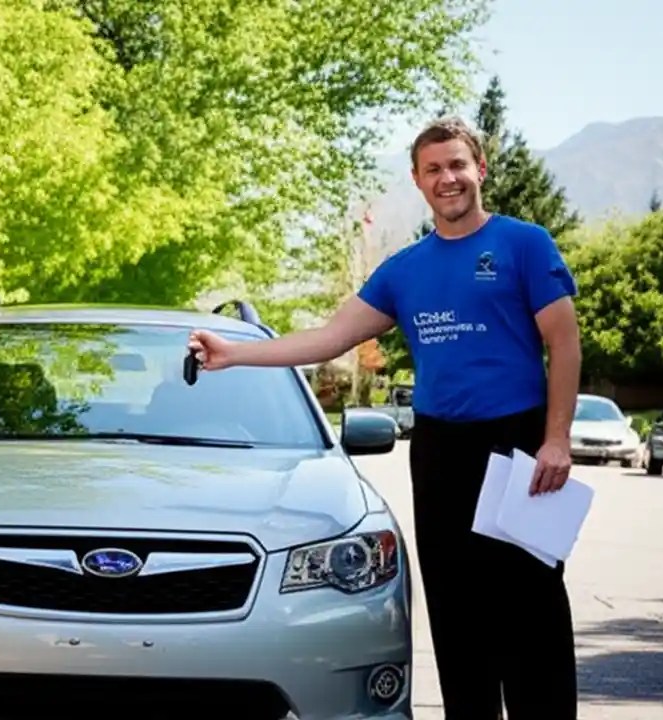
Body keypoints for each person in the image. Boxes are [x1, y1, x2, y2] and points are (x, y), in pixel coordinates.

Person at [188, 117, 580, 719]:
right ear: (419, 182)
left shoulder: (524, 244)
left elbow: (565, 343)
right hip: (443, 452)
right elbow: (329, 337)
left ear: (479, 169)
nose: (447, 178)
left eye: (457, 165)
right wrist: (234, 353)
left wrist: (556, 440)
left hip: (519, 446)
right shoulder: (405, 270)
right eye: (433, 169)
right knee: (456, 609)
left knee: (530, 610)